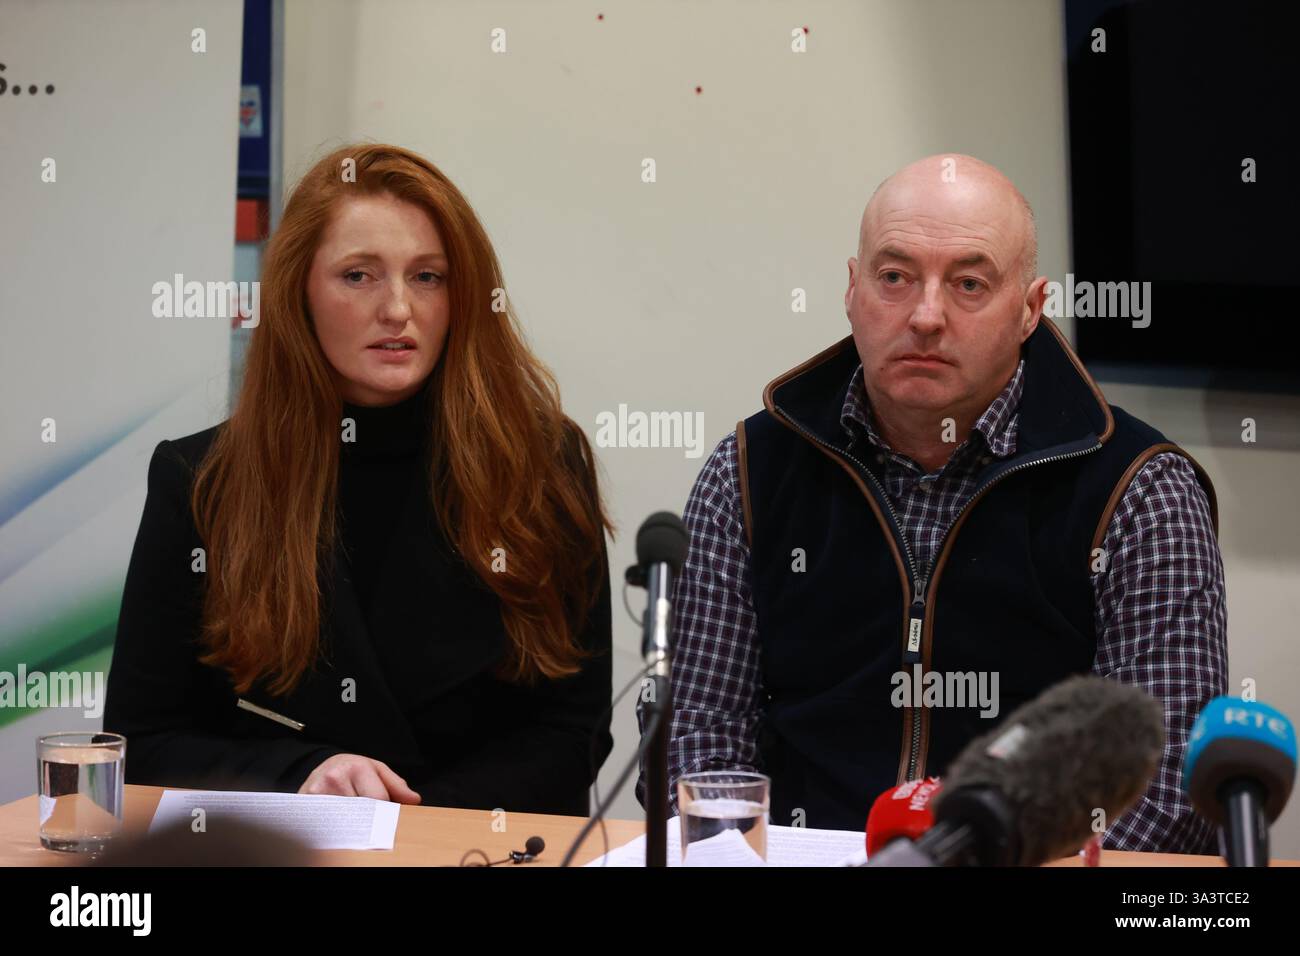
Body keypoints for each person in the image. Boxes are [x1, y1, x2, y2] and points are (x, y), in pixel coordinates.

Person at [639, 154, 1226, 853]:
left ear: (1030, 310)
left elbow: (1161, 783)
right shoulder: (752, 469)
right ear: (853, 291)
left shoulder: (1138, 491)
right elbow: (696, 731)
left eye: (970, 284)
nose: (925, 316)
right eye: (895, 277)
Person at [106, 143, 613, 816]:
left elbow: (571, 734)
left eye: (428, 277)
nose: (398, 308)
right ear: (299, 294)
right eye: (358, 276)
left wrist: (417, 828)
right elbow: (144, 741)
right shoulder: (202, 481)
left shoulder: (542, 467)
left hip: (474, 856)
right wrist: (304, 776)